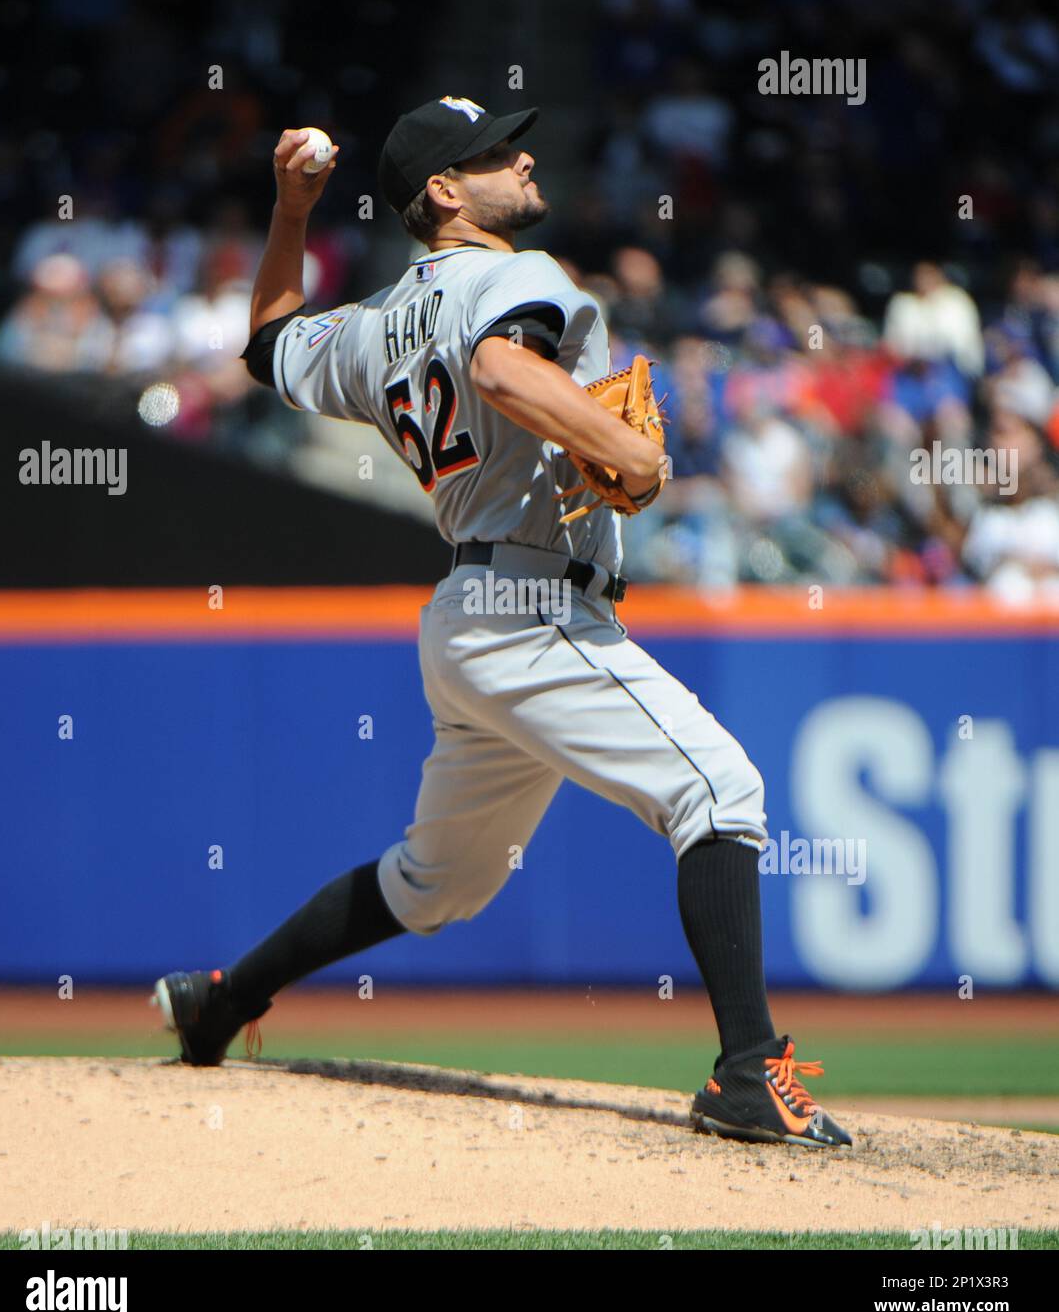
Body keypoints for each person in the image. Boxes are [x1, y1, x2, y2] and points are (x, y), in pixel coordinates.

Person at [154, 96, 851, 1149]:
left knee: (439, 883)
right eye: (493, 153)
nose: (523, 158)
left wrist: (292, 209)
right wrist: (626, 453)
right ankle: (750, 1072)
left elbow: (262, 342)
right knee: (719, 787)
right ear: (444, 190)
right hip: (535, 608)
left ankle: (221, 998)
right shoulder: (518, 277)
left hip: (470, 621)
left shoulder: (379, 323)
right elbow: (496, 367)